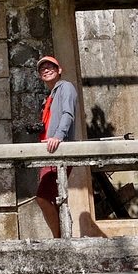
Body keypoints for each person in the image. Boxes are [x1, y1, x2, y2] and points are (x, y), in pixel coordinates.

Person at [34, 54, 78, 237]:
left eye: (51, 66)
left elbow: (68, 114)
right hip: (49, 151)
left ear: (59, 70)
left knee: (43, 197)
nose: (46, 69)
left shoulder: (65, 87)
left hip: (58, 149)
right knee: (49, 198)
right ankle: (61, 237)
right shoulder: (50, 97)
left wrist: (58, 136)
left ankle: (59, 239)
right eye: (42, 68)